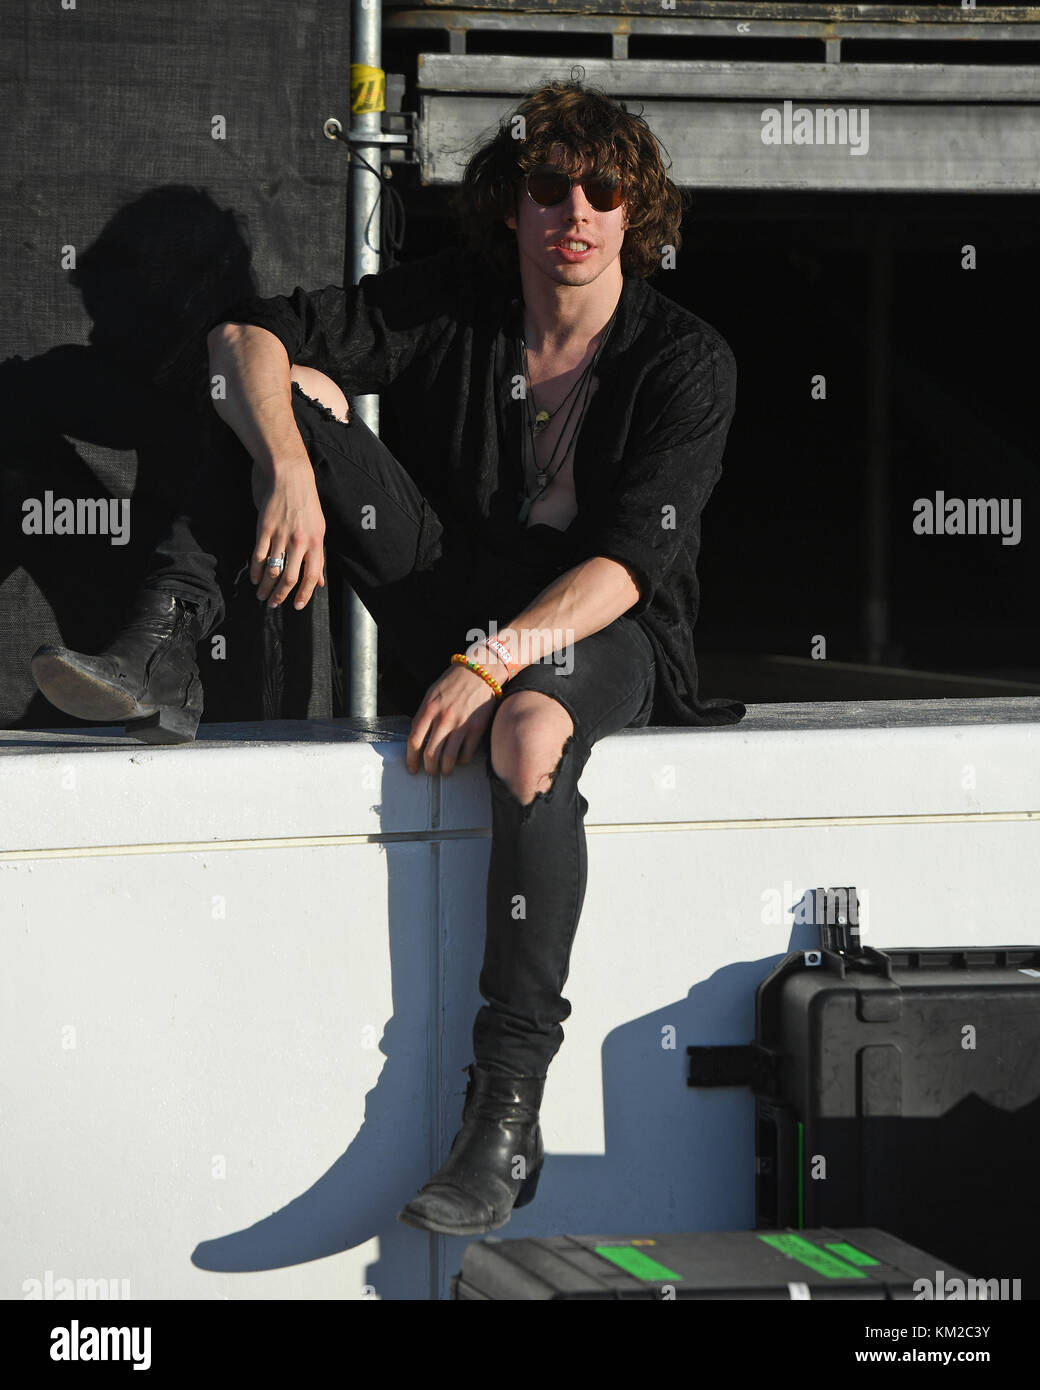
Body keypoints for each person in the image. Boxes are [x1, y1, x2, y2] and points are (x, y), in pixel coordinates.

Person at [31, 78, 746, 1235]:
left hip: (595, 637)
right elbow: (235, 339)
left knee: (525, 731)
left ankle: (504, 1113)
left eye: (603, 190)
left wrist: (489, 665)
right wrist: (289, 464)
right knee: (268, 391)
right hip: (447, 596)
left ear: (636, 213)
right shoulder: (455, 305)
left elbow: (622, 568)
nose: (575, 208)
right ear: (510, 206)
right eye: (549, 186)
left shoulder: (682, 360)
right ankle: (160, 647)